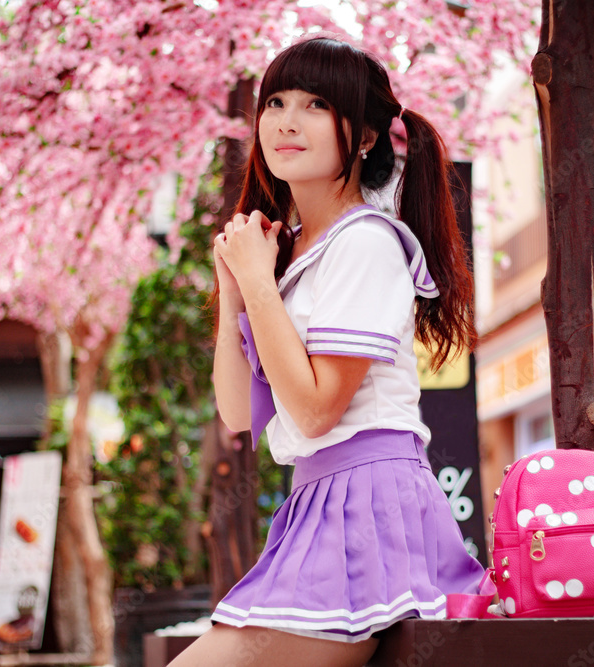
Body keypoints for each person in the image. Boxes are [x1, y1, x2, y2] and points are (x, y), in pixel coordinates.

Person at [170, 35, 484, 667]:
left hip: (370, 502)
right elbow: (237, 414)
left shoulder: (365, 242)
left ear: (364, 136)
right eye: (276, 102)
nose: (287, 120)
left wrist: (259, 283)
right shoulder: (291, 255)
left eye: (316, 104)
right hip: (317, 501)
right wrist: (237, 290)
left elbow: (316, 412)